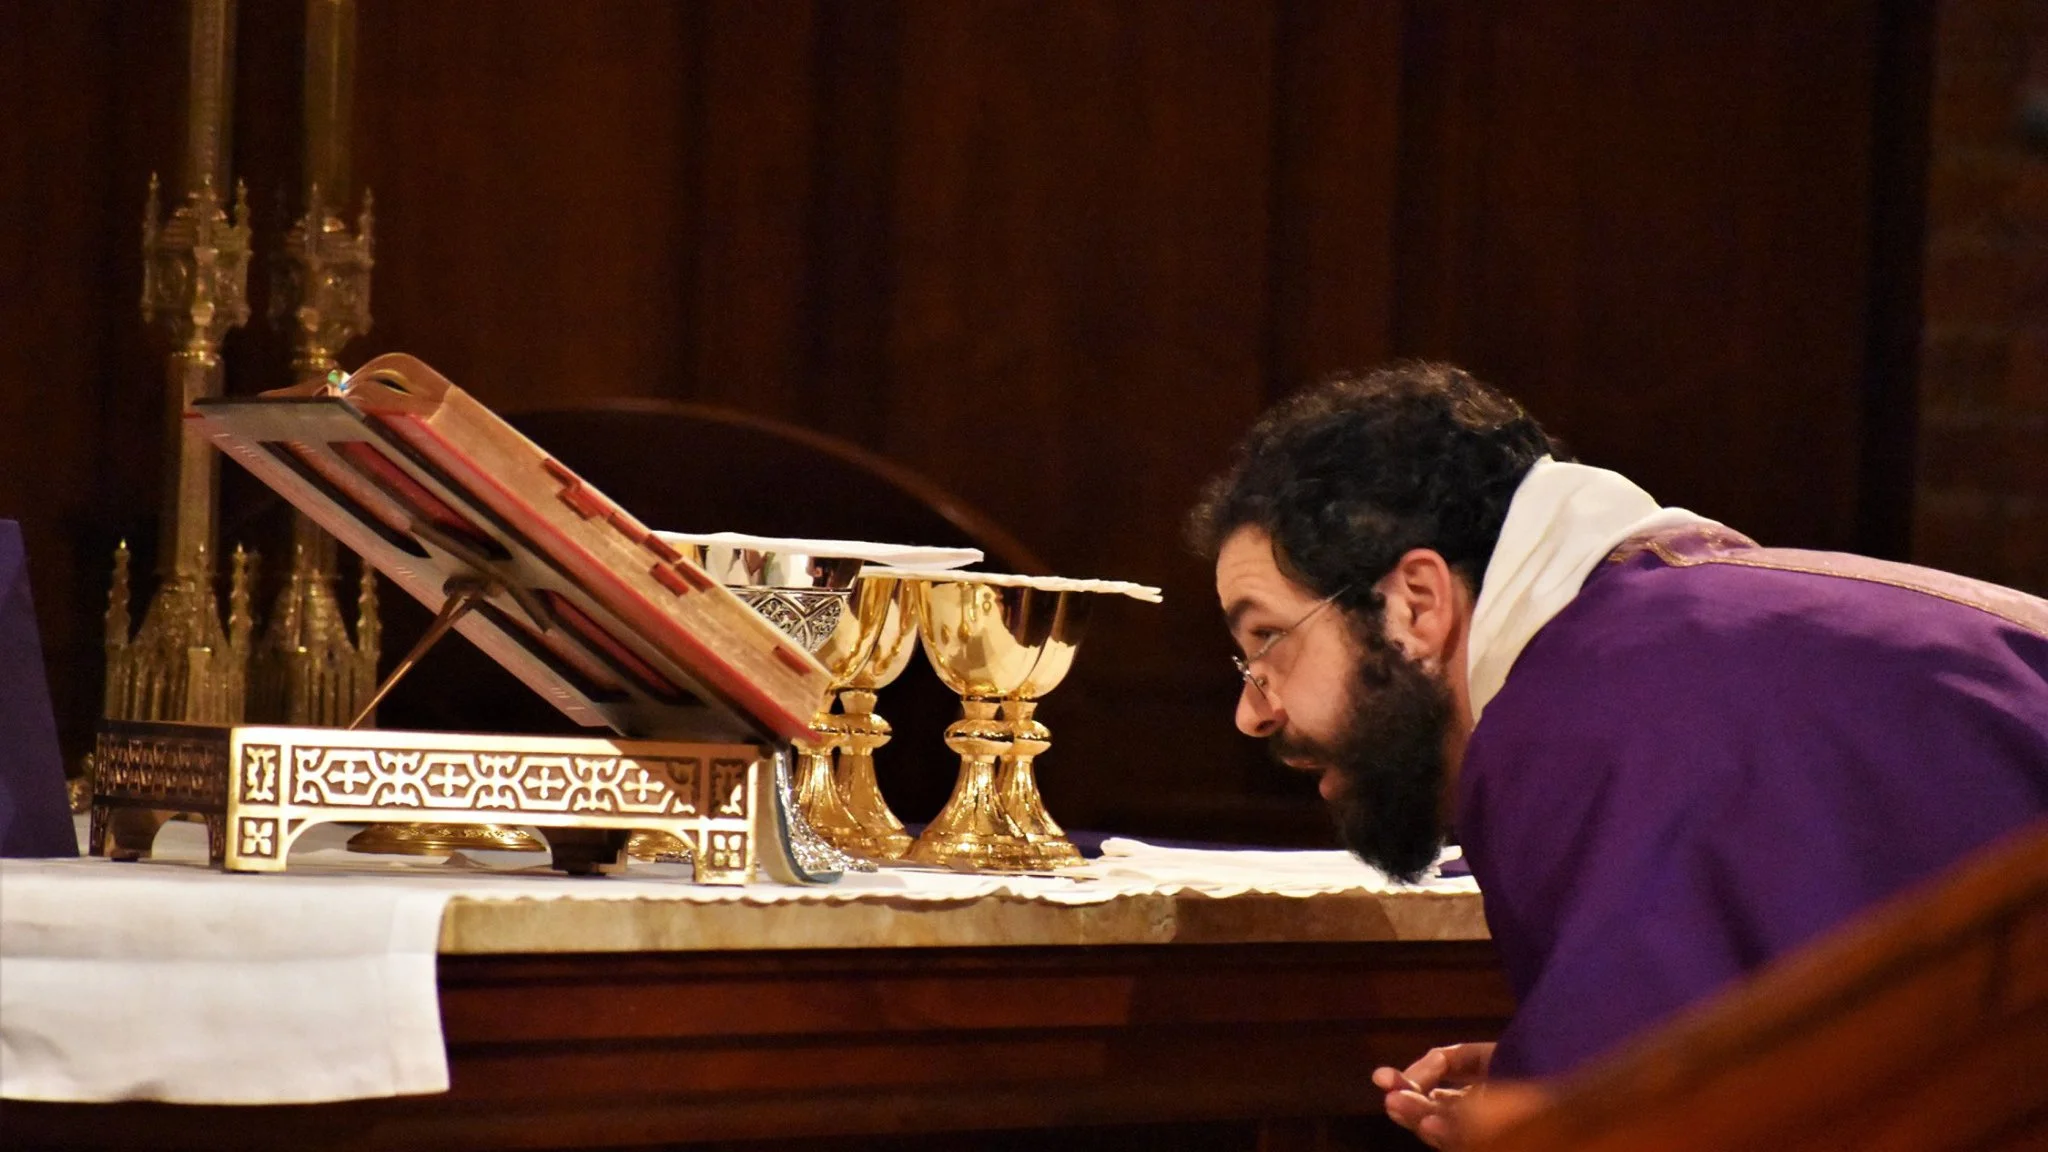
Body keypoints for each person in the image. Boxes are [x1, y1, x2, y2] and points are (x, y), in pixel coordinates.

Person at [1187, 362, 2048, 1148]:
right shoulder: (1665, 637)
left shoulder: (1581, 719)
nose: (1251, 711)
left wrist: (1567, 1114)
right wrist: (1573, 1078)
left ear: (1416, 603)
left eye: (1269, 643)